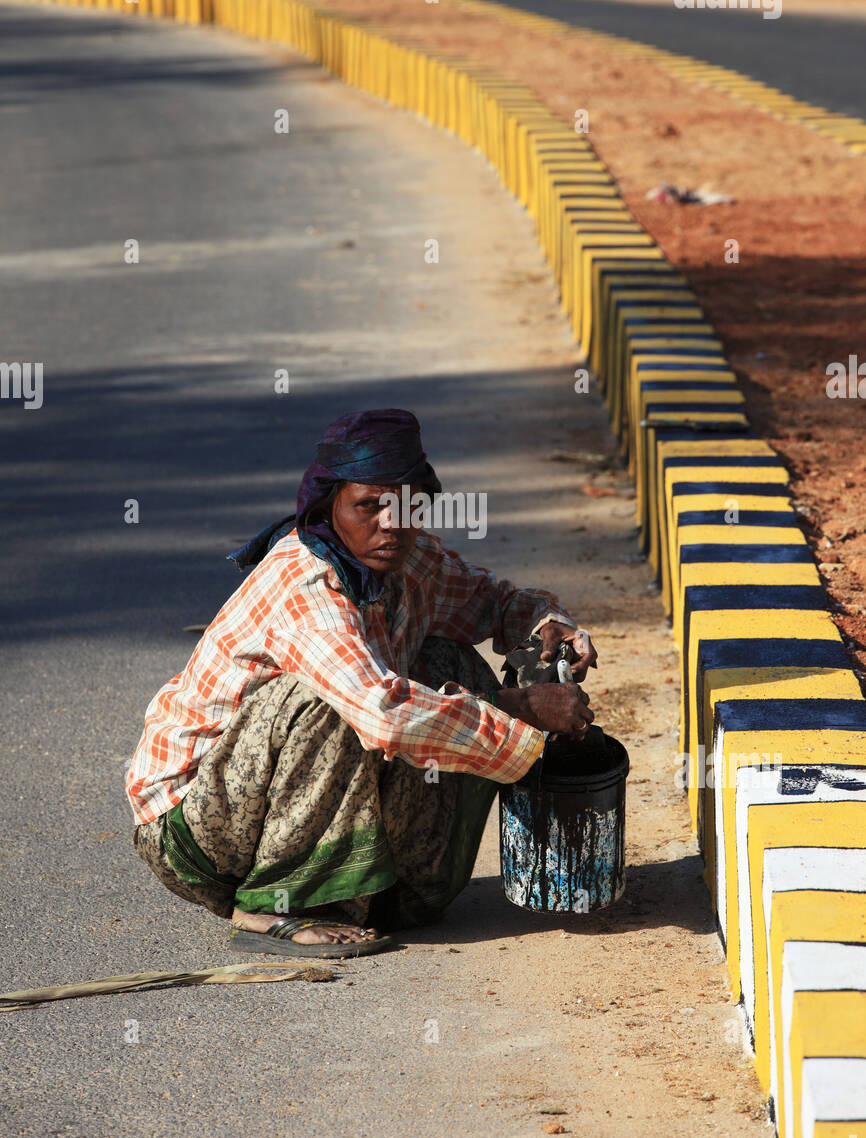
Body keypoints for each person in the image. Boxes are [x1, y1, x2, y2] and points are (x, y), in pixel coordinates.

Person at [127, 408, 597, 959]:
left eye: (405, 506)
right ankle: (282, 905)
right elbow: (384, 713)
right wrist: (520, 707)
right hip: (197, 828)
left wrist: (546, 621)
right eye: (368, 506)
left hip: (263, 801)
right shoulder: (305, 583)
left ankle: (396, 884)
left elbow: (489, 602)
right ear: (332, 507)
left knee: (450, 660)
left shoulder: (409, 561)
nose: (389, 524)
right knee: (326, 702)